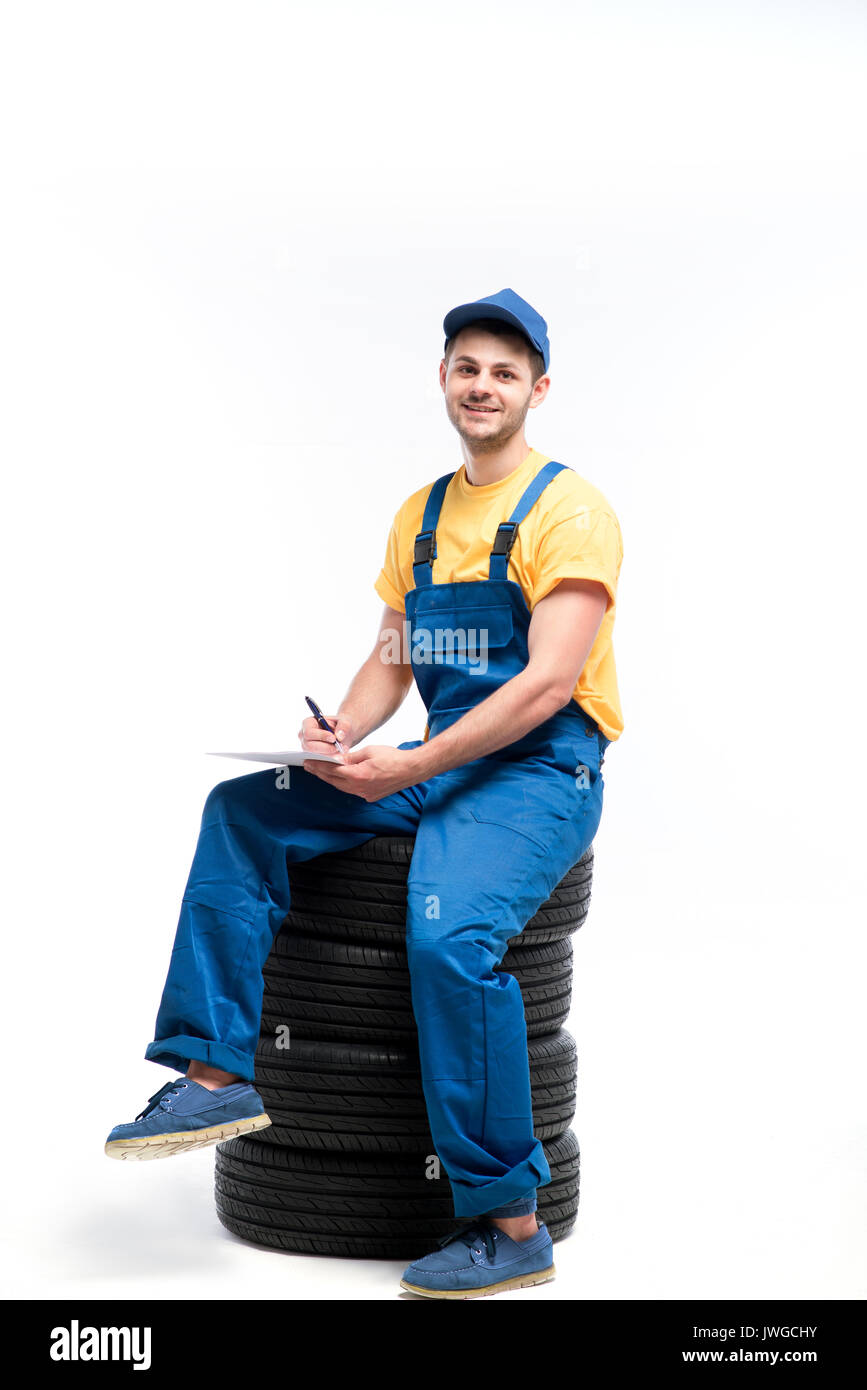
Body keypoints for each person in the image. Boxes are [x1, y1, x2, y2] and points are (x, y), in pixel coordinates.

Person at [105, 287, 624, 1299]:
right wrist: (343, 734)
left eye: (504, 372)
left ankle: (510, 1220)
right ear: (443, 377)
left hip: (538, 772)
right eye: (467, 367)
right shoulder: (421, 516)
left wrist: (413, 766)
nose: (483, 386)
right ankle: (215, 1073)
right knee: (248, 810)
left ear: (539, 389)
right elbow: (396, 654)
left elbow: (548, 683)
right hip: (437, 762)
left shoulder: (571, 510)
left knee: (448, 938)